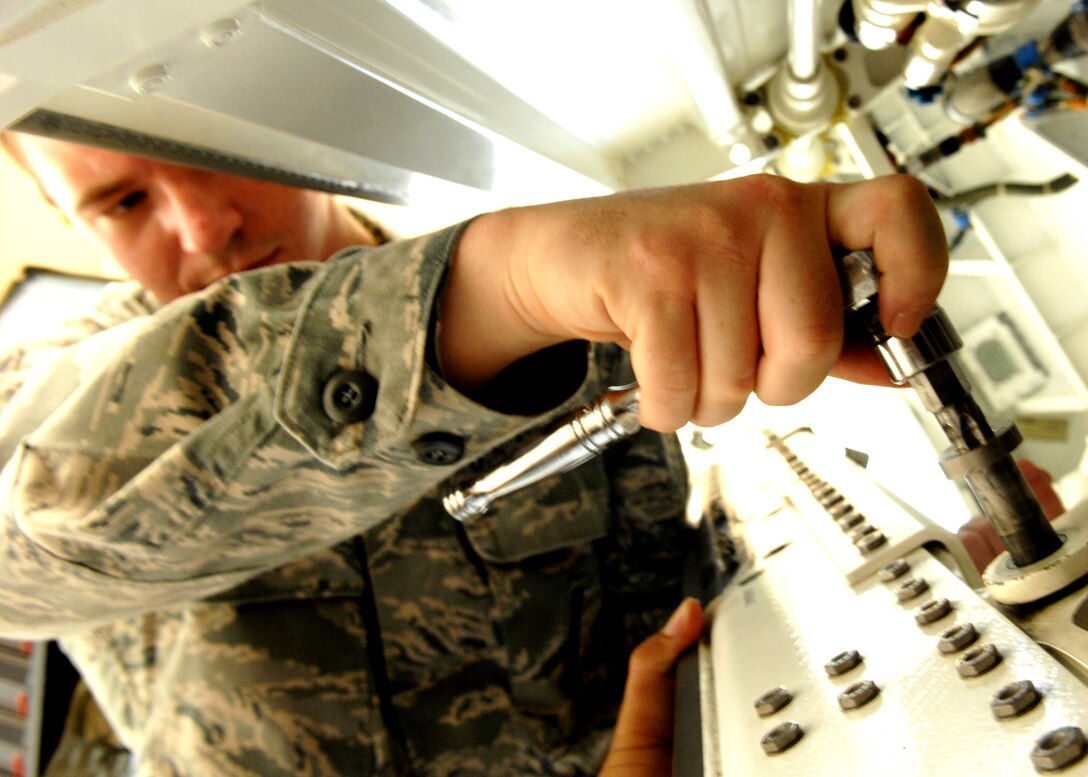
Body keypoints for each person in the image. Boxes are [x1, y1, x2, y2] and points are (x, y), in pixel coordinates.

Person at [0, 132, 948, 776]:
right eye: (123, 202)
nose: (205, 227)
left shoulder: (582, 331)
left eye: (215, 156)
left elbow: (657, 586)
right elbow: (25, 557)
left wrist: (912, 564)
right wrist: (494, 288)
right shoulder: (56, 386)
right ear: (58, 209)